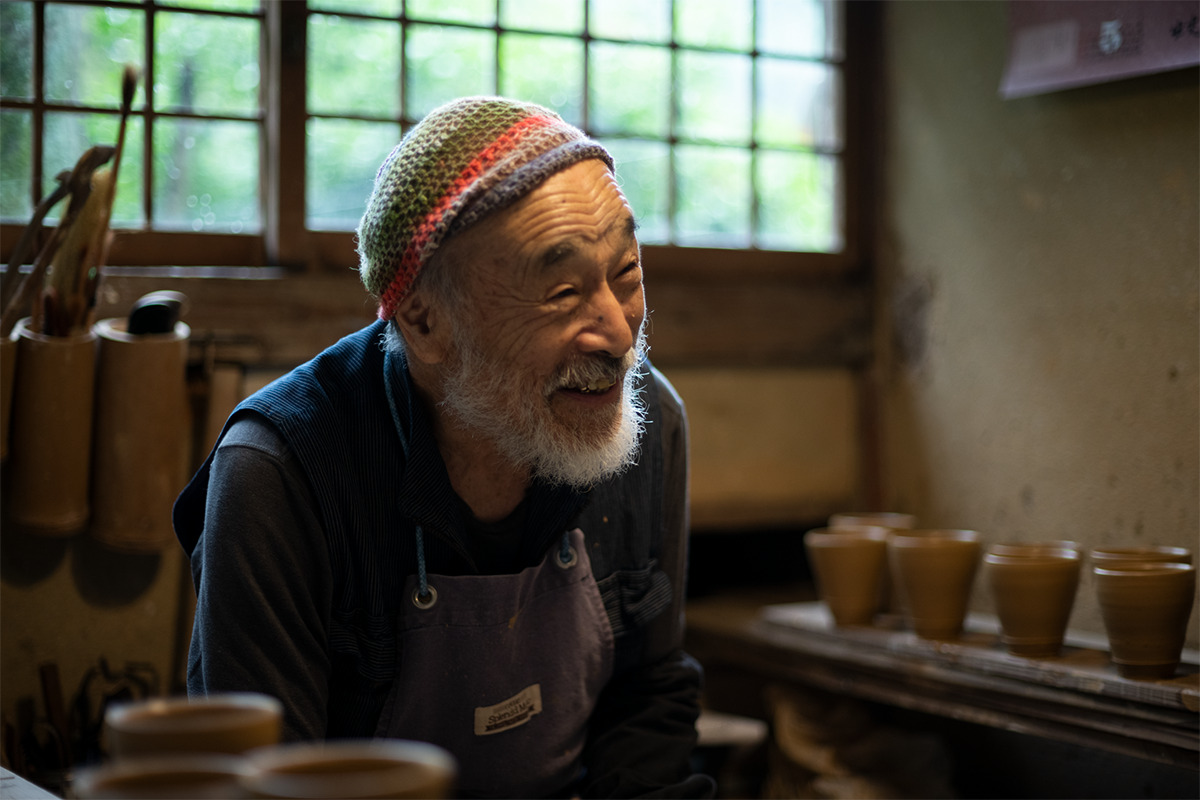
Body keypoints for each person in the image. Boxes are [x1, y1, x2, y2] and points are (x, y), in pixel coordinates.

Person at [173, 96, 715, 799]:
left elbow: (648, 697)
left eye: (626, 275)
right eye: (561, 291)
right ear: (426, 323)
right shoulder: (281, 476)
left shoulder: (643, 425)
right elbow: (264, 779)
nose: (617, 336)